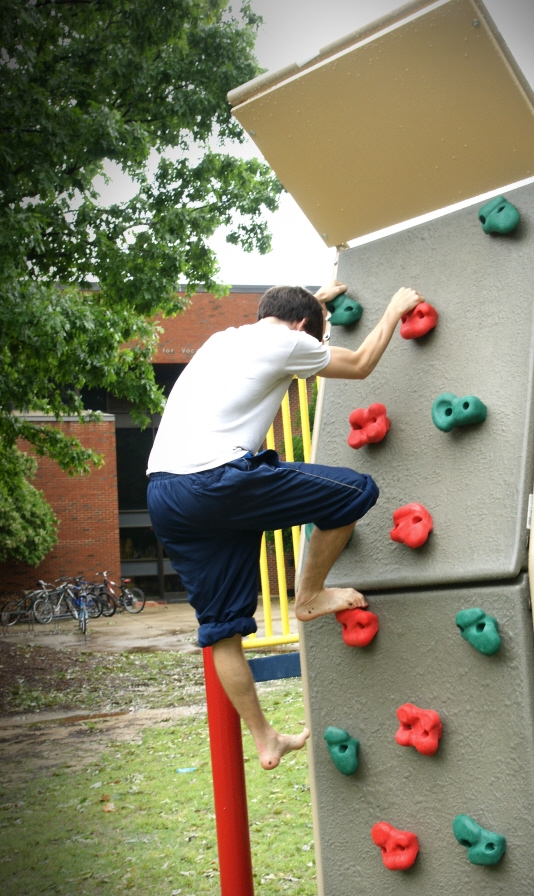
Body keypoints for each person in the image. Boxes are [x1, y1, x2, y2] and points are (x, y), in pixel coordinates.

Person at [147, 281, 423, 769]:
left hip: (165, 493)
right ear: (303, 329)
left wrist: (313, 302)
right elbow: (357, 364)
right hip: (216, 482)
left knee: (221, 631)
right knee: (355, 493)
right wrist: (395, 308)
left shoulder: (222, 340)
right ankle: (310, 595)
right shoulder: (291, 341)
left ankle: (266, 739)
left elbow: (284, 324)